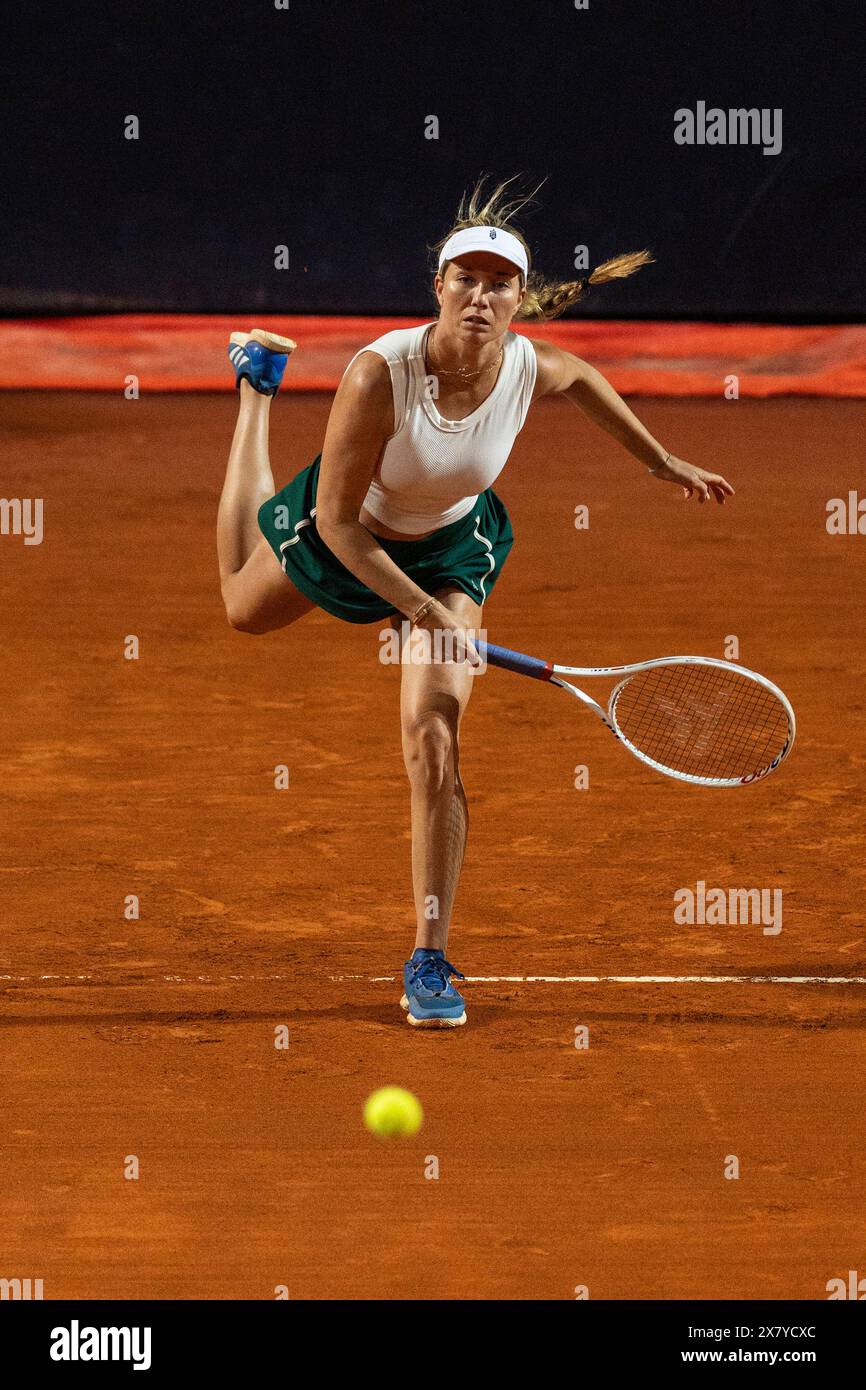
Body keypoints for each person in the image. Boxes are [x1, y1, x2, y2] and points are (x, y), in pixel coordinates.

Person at [217, 178, 734, 1029]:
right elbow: (341, 527)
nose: (481, 296)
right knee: (242, 604)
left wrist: (661, 461)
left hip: (456, 547)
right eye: (467, 279)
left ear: (519, 300)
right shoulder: (380, 375)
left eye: (499, 284)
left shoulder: (529, 365)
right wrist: (422, 615)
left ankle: (428, 958)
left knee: (433, 741)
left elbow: (583, 381)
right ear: (440, 286)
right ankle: (256, 392)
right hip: (357, 531)